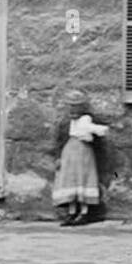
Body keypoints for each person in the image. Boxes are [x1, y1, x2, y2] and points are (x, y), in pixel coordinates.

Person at [53, 90, 109, 226]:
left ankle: (84, 212)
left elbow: (96, 137)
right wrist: (58, 157)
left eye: (76, 106)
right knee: (70, 179)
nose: (73, 109)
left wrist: (92, 134)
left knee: (83, 178)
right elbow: (59, 141)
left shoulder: (87, 120)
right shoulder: (65, 124)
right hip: (69, 154)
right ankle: (72, 211)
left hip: (84, 153)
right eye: (71, 106)